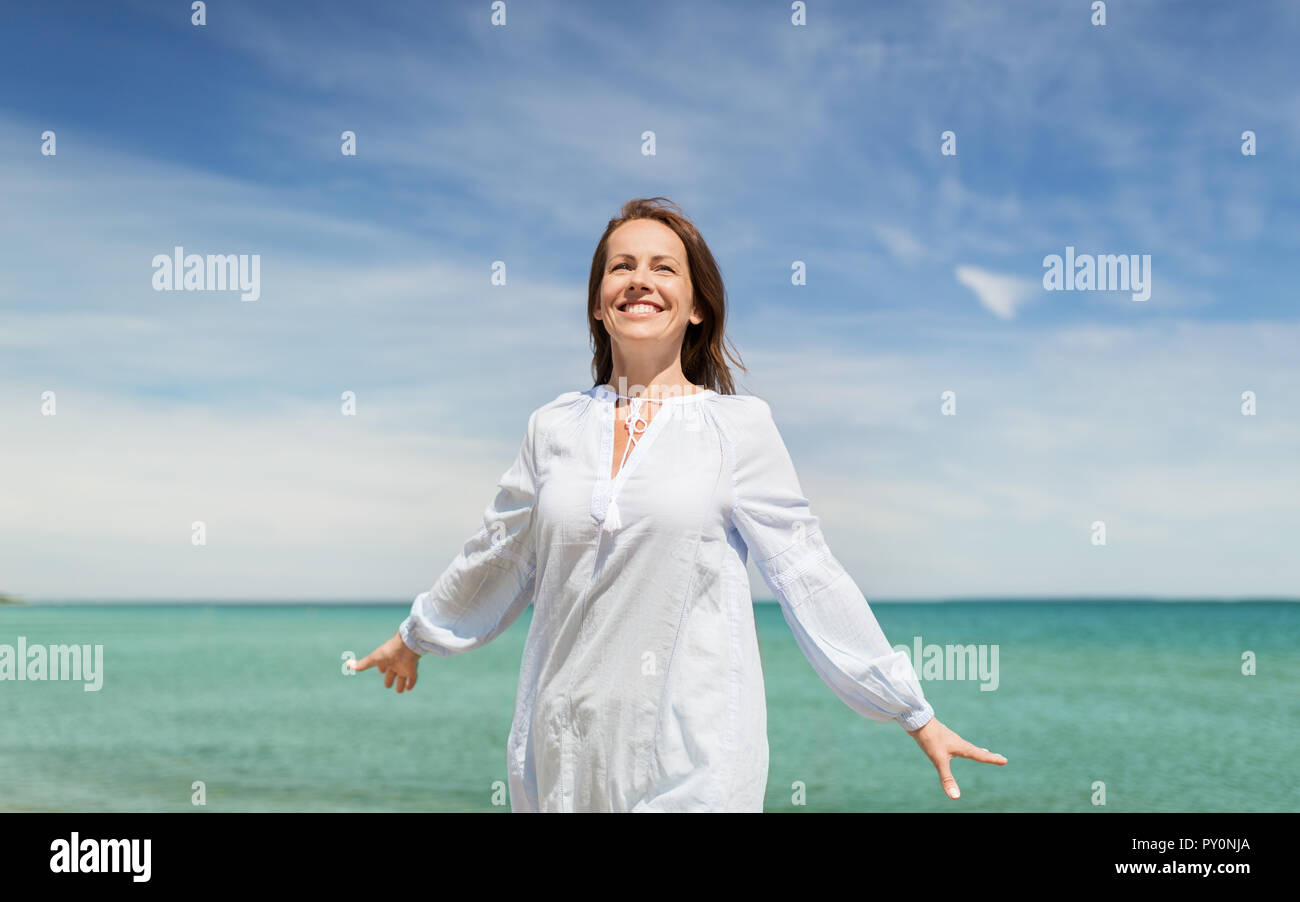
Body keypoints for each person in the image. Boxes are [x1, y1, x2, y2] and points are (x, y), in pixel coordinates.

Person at [350, 197, 1007, 811]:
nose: (640, 279)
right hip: (563, 757)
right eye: (621, 267)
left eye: (663, 268)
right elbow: (498, 554)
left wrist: (909, 709)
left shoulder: (738, 428)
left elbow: (807, 573)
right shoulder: (552, 427)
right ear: (598, 305)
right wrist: (416, 636)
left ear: (697, 307)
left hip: (694, 762)